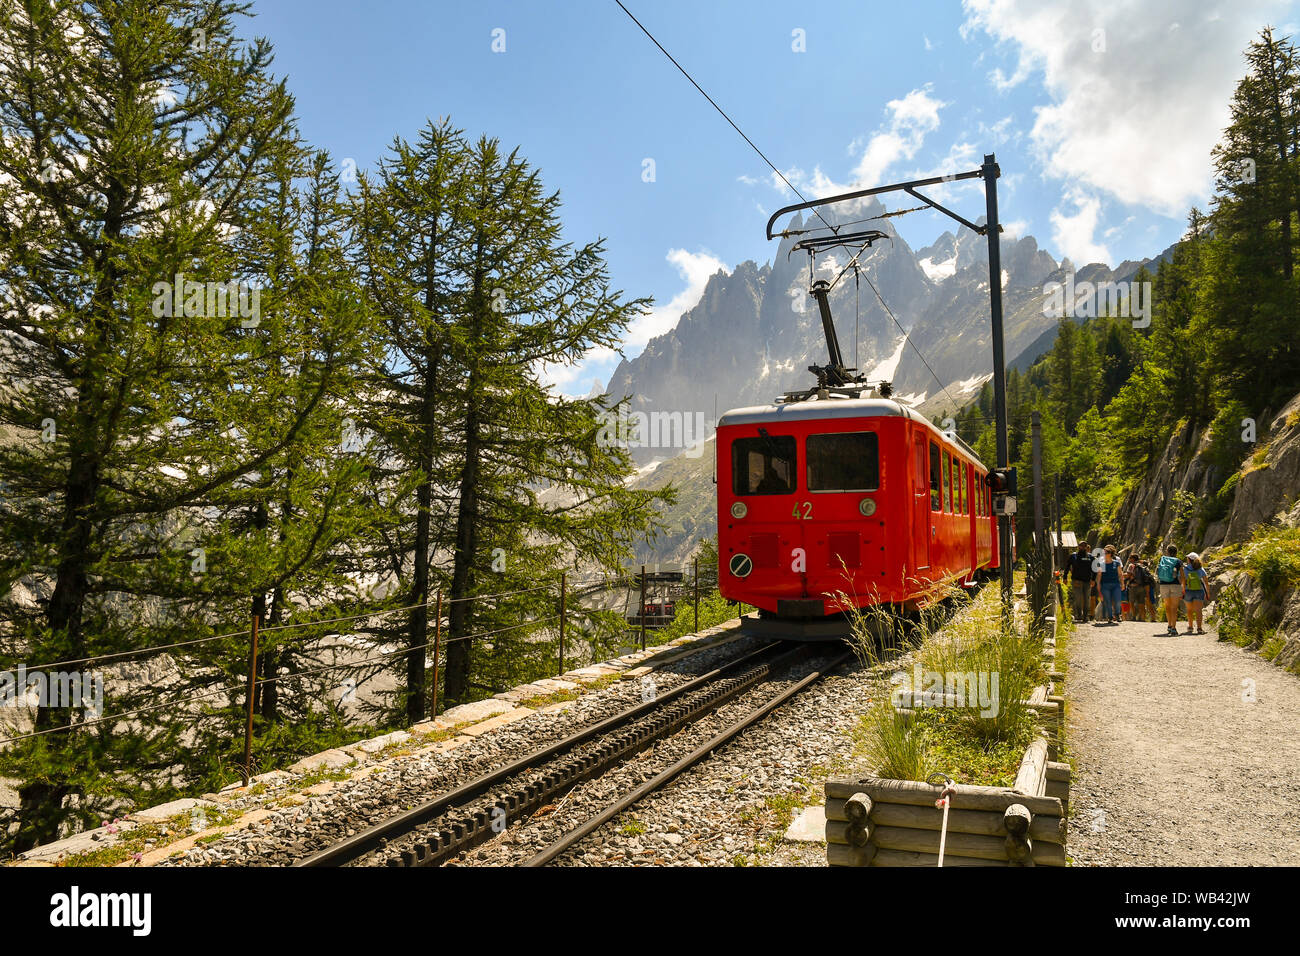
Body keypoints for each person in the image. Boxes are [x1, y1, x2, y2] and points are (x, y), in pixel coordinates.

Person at [1155, 544, 1183, 636]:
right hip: (1175, 585)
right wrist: (1182, 586)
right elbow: (1182, 575)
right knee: (1174, 608)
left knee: (1167, 606)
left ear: (1167, 551)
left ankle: (1169, 625)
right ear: (1176, 552)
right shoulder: (1178, 561)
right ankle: (1174, 628)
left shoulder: (1162, 559)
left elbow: (1157, 571)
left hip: (1163, 584)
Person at [1182, 552, 1210, 635]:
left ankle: (1190, 627)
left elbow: (1183, 581)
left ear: (1189, 560)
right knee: (1198, 610)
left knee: (1189, 610)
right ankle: (1199, 628)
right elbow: (1206, 582)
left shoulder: (1185, 569)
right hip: (1199, 591)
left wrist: (1182, 590)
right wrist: (1208, 593)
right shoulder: (1200, 569)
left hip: (1188, 591)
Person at [1095, 544, 1124, 625]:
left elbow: (1120, 574)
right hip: (1105, 585)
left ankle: (1117, 614)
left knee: (1118, 600)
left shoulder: (1116, 563)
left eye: (1105, 553)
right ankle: (1110, 617)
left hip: (1116, 585)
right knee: (1107, 601)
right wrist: (1098, 587)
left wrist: (1122, 583)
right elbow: (1099, 577)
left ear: (1110, 554)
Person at [1068, 542, 1093, 623]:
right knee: (1078, 598)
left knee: (1087, 599)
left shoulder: (1090, 557)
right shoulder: (1073, 556)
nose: (1082, 547)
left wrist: (1093, 579)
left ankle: (1085, 616)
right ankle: (1079, 614)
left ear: (1086, 547)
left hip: (1087, 581)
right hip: (1076, 580)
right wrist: (1065, 576)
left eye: (1084, 546)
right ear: (1078, 546)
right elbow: (1067, 566)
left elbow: (1095, 569)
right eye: (1081, 546)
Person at [1125, 557, 1153, 623]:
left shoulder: (1131, 565)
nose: (1129, 560)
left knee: (1131, 602)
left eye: (1130, 559)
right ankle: (1143, 618)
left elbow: (1128, 575)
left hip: (1133, 587)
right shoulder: (1143, 566)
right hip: (1142, 587)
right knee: (1141, 603)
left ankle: (1134, 616)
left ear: (1132, 559)